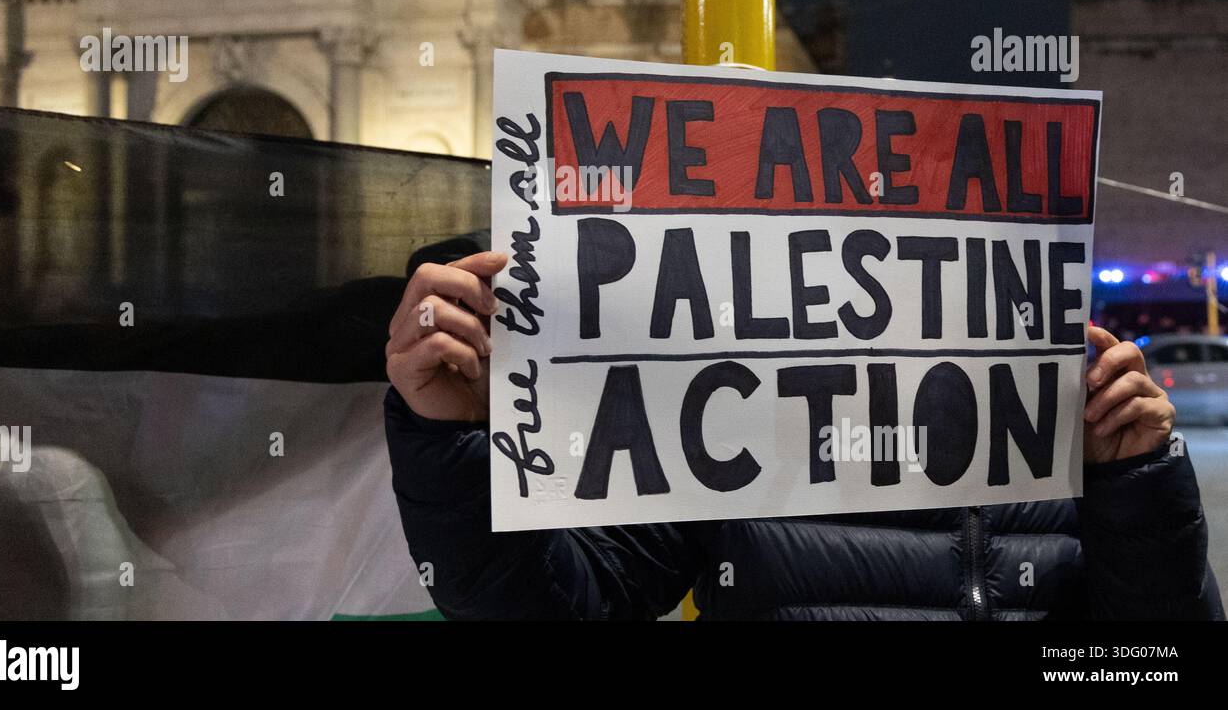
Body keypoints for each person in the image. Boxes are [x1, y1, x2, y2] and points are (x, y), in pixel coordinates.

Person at [384, 249, 1224, 620]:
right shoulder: (726, 419)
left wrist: (1138, 486)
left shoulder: (1068, 431)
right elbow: (560, 608)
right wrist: (455, 444)